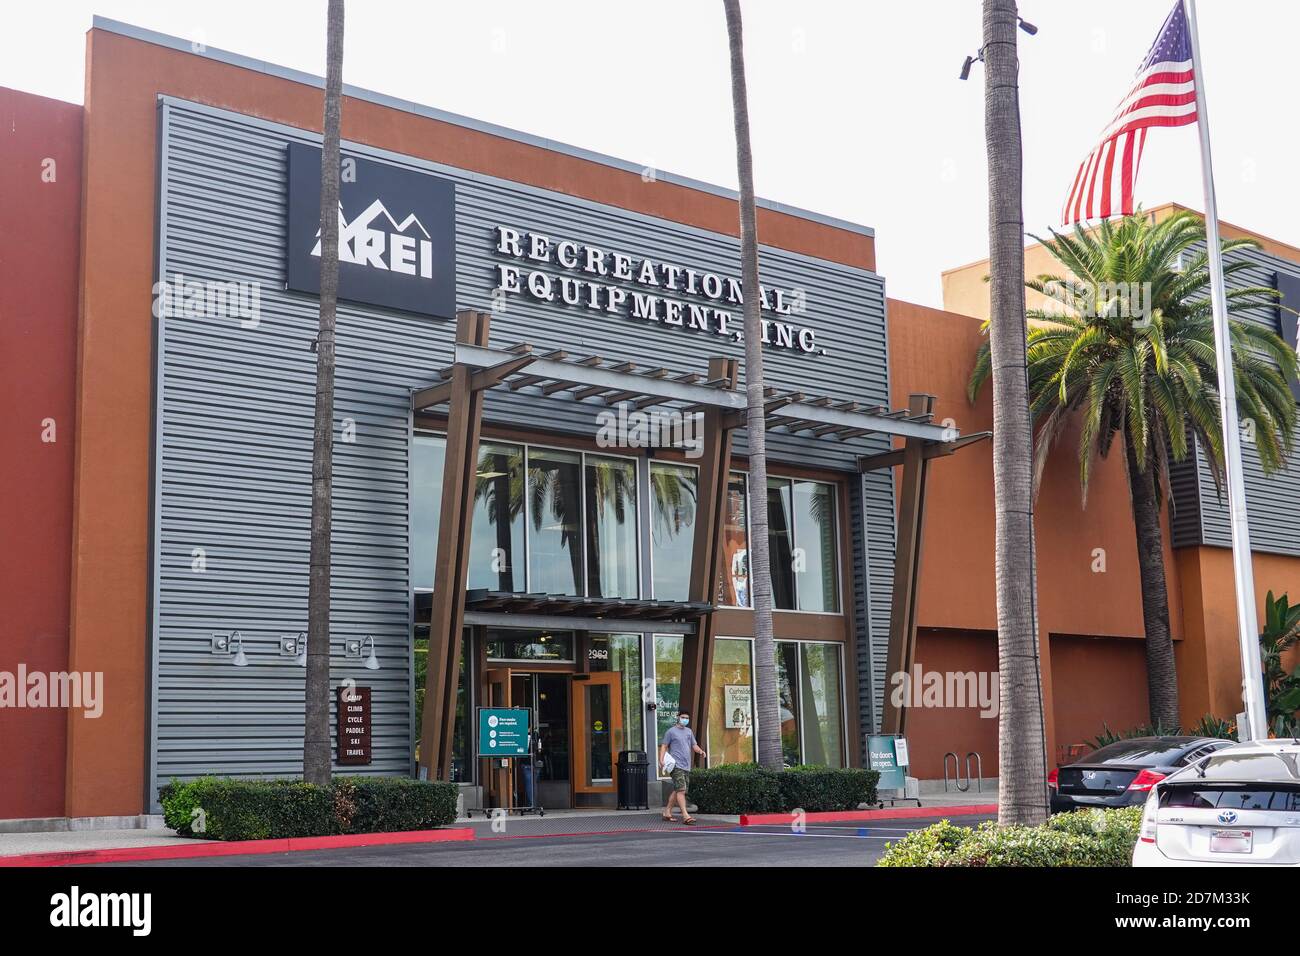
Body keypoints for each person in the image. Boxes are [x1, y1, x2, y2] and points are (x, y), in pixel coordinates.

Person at [659, 710, 707, 824]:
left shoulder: (689, 732)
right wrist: (661, 760)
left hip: (686, 766)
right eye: (683, 717)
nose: (685, 719)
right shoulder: (671, 732)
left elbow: (694, 745)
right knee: (681, 790)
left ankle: (667, 812)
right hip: (676, 765)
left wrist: (700, 751)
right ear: (678, 717)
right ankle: (686, 816)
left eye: (687, 718)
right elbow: (664, 746)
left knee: (678, 790)